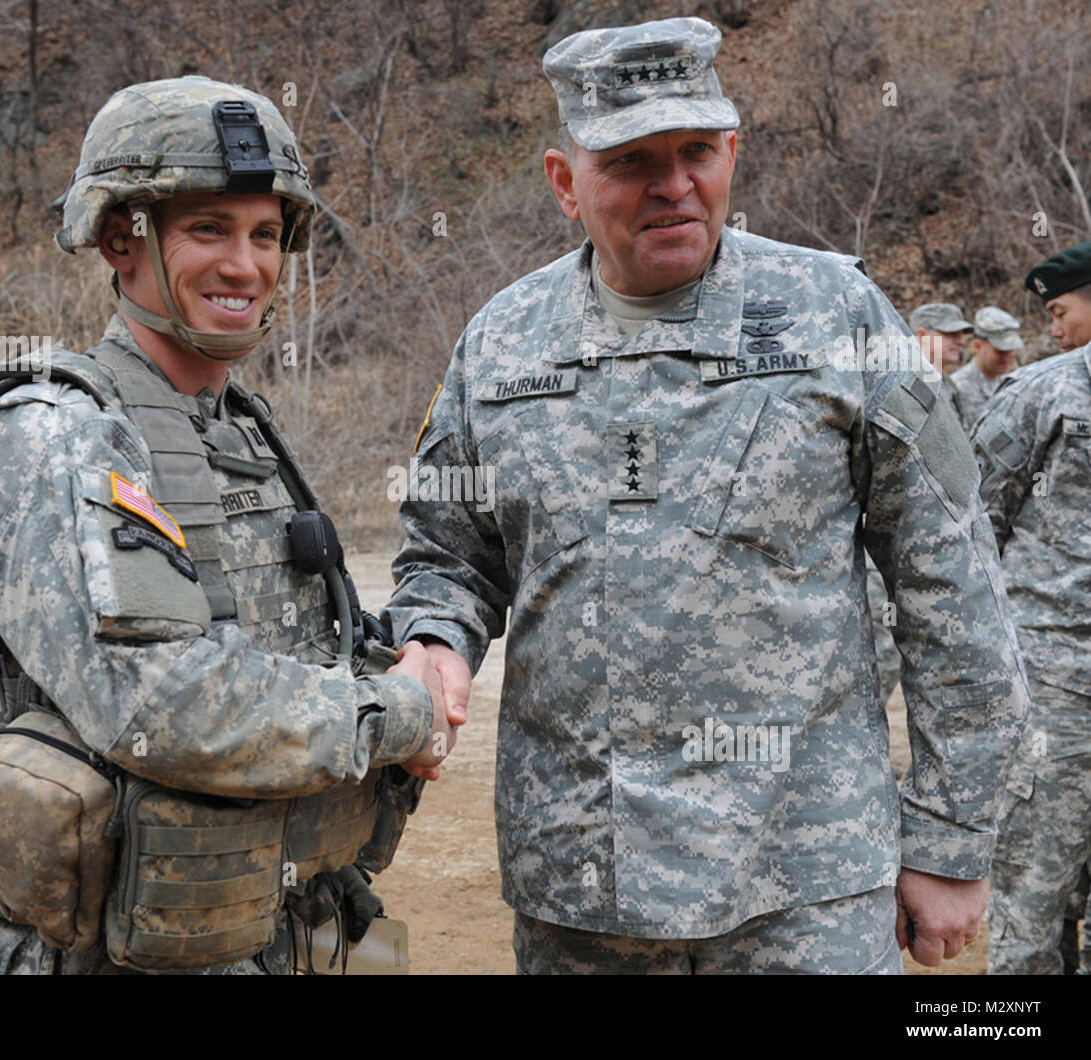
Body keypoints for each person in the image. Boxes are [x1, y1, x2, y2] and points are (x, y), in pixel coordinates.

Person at [384, 17, 1027, 974]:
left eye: (695, 151)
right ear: (566, 183)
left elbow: (952, 577)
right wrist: (435, 637)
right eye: (633, 159)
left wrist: (952, 837)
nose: (673, 184)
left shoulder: (835, 316)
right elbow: (447, 552)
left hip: (806, 888)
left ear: (732, 151)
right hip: (582, 890)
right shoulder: (502, 340)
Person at [0, 77, 457, 975]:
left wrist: (410, 655)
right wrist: (397, 713)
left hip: (278, 931)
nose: (246, 266)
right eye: (209, 230)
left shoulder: (240, 430)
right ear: (122, 238)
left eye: (265, 233)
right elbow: (157, 699)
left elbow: (299, 643)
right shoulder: (53, 435)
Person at [974, 241, 1091, 974]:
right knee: (1032, 913)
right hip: (1053, 688)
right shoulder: (1041, 395)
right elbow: (969, 526)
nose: (1052, 327)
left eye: (1061, 310)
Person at [953, 306, 1023, 430]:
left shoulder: (1015, 381)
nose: (1008, 357)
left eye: (1011, 350)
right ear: (977, 346)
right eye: (1000, 351)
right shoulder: (958, 388)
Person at [908, 302, 972, 425]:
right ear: (922, 336)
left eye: (961, 335)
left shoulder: (946, 382)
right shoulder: (908, 384)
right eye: (952, 334)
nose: (962, 342)